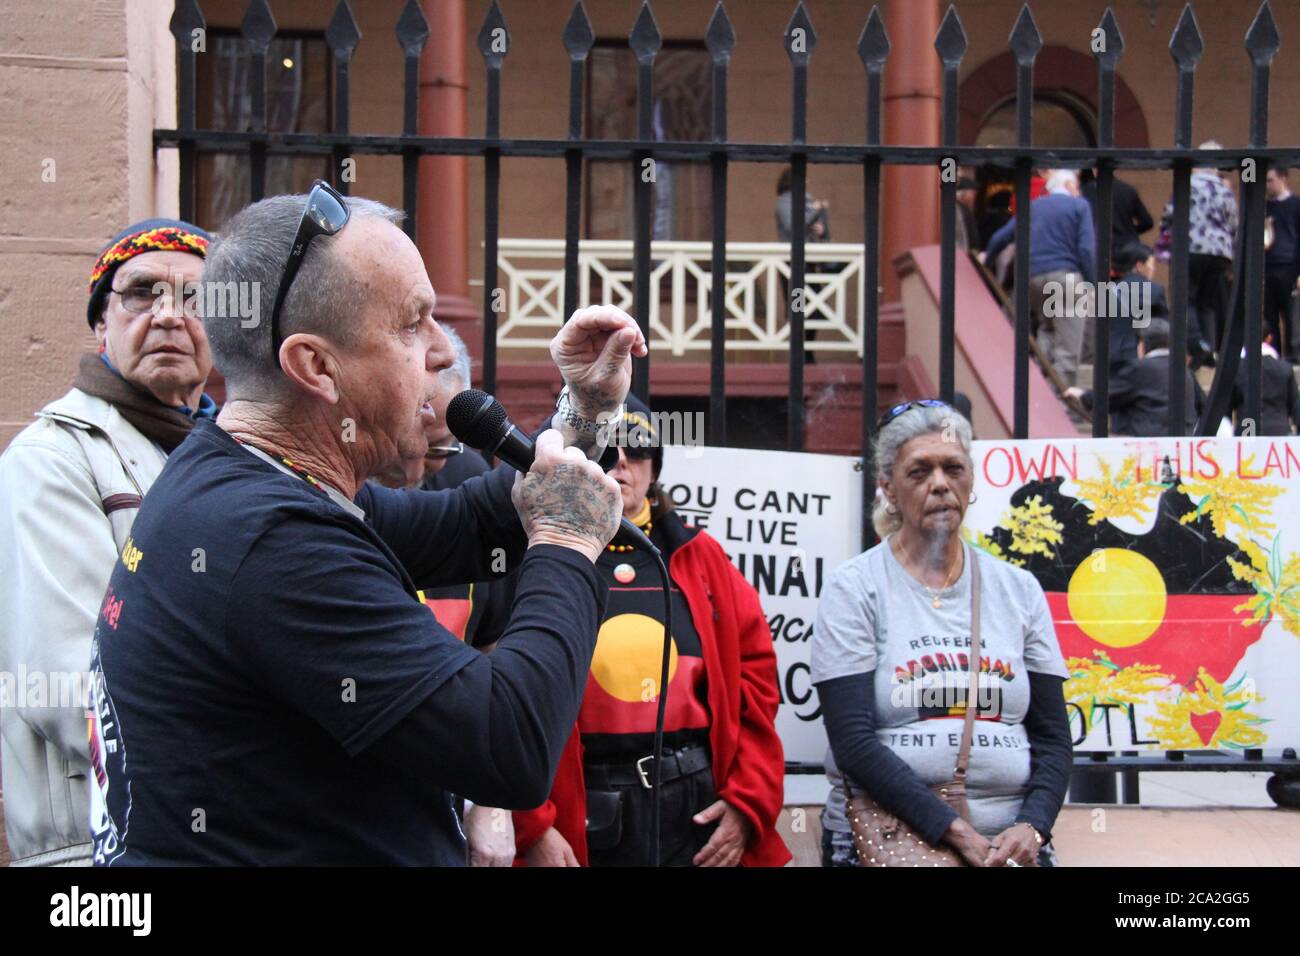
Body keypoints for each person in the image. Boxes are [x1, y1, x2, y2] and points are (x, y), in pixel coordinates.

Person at [86, 183, 647, 865]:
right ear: (315, 366)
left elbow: (468, 521)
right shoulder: (272, 540)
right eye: (413, 324)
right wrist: (564, 543)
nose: (443, 352)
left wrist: (582, 414)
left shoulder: (248, 474)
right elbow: (509, 744)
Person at [0, 218, 215, 867]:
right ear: (102, 324)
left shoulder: (234, 461)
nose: (170, 317)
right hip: (99, 852)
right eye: (142, 293)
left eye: (194, 299)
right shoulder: (51, 460)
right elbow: (73, 690)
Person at [508, 397, 790, 867]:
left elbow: (757, 690)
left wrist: (748, 802)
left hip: (695, 809)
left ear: (654, 468)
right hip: (586, 809)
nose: (620, 461)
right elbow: (505, 701)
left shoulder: (702, 558)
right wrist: (532, 825)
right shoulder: (536, 557)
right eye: (603, 447)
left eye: (637, 448)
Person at [812, 401, 1072, 868]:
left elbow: (1054, 739)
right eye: (919, 472)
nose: (939, 484)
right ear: (888, 488)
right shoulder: (855, 587)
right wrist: (956, 833)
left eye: (953, 468)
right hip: (887, 838)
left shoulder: (1019, 590)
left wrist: (1032, 826)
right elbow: (853, 743)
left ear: (970, 481)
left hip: (1009, 845)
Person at [983, 170, 1097, 387]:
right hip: (1065, 278)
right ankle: (1061, 401)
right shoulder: (1079, 205)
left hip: (1032, 280)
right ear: (1071, 186)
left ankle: (1038, 389)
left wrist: (986, 257)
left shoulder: (1033, 206)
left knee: (1048, 331)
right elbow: (1086, 250)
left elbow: (1001, 237)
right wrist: (1092, 283)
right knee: (1068, 348)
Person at [1157, 144, 1237, 354]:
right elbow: (1234, 223)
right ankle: (1209, 347)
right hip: (1220, 252)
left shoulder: (1187, 184)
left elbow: (1169, 214)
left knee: (1185, 297)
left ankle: (1194, 344)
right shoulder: (1224, 190)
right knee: (1207, 302)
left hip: (1190, 246)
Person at [1067, 318, 1206, 436]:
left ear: (1142, 345)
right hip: (1181, 443)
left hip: (1144, 444)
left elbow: (1105, 398)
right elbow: (1203, 405)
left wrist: (1081, 394)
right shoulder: (1185, 371)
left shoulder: (1141, 369)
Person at [1106, 242, 1169, 376]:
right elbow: (1162, 327)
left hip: (1109, 354)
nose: (1153, 269)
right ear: (1139, 266)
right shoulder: (1155, 290)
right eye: (1151, 264)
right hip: (1138, 355)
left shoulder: (1108, 290)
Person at [1230, 331, 1300, 436]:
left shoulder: (1238, 369)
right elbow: (1295, 406)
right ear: (1269, 338)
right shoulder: (1285, 369)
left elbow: (1227, 406)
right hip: (1279, 430)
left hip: (1247, 429)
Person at [1264, 166, 1300, 360]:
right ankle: (1274, 355)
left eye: (1271, 180)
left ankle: (1294, 357)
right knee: (1270, 316)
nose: (1267, 185)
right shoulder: (1263, 206)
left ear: (1283, 178)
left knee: (1292, 315)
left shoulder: (1296, 204)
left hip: (1289, 266)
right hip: (1268, 265)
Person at [1081, 170, 1154, 256]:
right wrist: (1129, 231)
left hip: (1099, 247)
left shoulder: (1087, 191)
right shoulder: (1128, 190)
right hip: (1127, 247)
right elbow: (1147, 222)